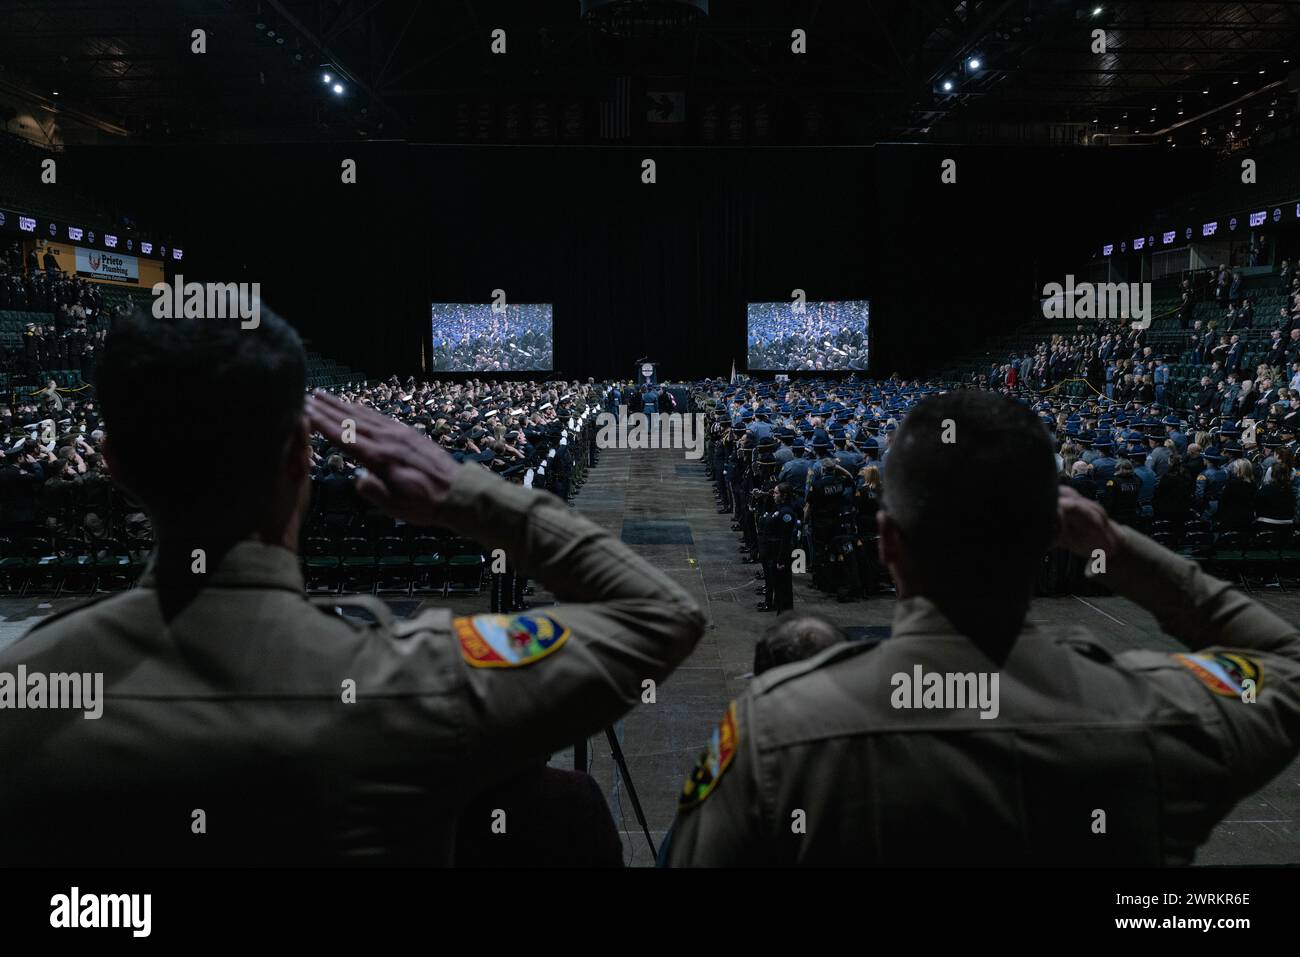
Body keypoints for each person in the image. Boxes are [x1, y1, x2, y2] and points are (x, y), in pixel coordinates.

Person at [0, 310, 706, 866]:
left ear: (114, 466)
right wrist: (465, 492)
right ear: (303, 455)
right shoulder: (412, 678)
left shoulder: (24, 687)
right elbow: (660, 613)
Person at [661, 390, 1300, 866]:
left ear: (887, 543)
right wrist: (1121, 552)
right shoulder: (1157, 717)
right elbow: (1287, 665)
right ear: (1054, 535)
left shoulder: (776, 736)